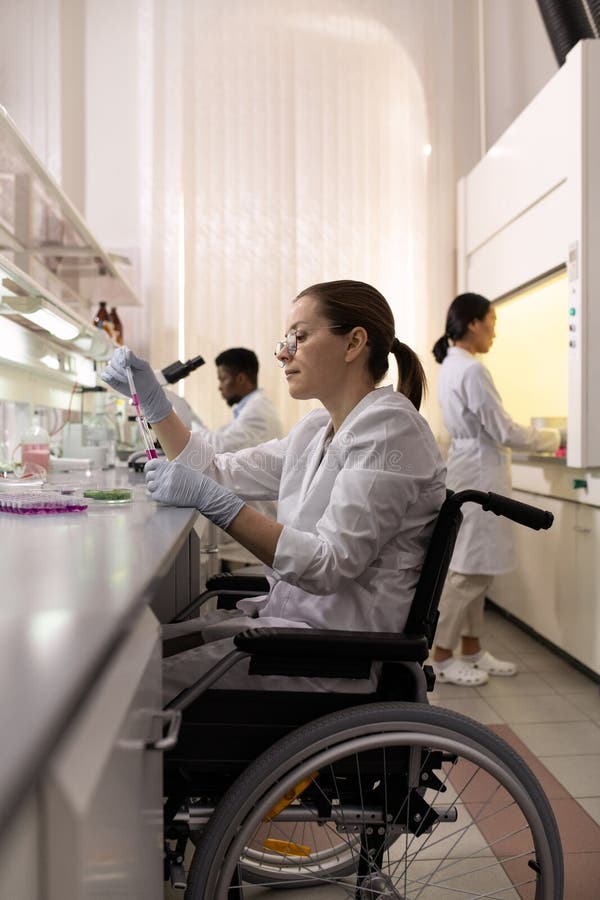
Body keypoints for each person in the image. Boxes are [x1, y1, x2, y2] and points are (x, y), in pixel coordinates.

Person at [102, 280, 446, 703]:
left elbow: (328, 565)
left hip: (334, 656)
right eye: (285, 340)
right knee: (135, 655)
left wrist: (214, 502)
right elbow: (215, 470)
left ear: (354, 342)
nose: (283, 353)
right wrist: (155, 404)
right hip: (291, 630)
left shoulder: (390, 429)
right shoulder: (316, 429)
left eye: (299, 337)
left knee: (128, 691)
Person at [430, 293, 563, 686]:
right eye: (492, 323)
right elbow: (503, 430)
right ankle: (441, 656)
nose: (494, 333)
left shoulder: (452, 365)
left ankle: (471, 649)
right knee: (469, 573)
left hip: (469, 470)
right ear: (473, 323)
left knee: (475, 567)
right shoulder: (471, 370)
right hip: (480, 476)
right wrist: (555, 437)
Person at [190, 347, 283, 451]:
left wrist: (187, 423)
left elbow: (220, 447)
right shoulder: (250, 407)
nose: (220, 387)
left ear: (241, 379)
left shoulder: (257, 410)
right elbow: (219, 436)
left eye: (223, 379)